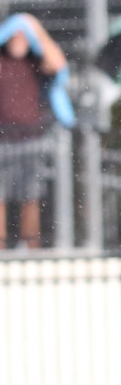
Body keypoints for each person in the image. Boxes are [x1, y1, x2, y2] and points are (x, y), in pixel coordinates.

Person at [0, 14, 66, 249]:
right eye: (14, 35)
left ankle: (31, 245)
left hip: (31, 138)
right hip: (3, 138)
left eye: (22, 36)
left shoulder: (34, 61)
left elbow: (58, 64)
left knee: (30, 196)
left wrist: (35, 28)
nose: (18, 40)